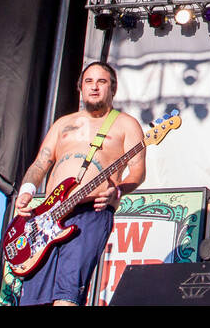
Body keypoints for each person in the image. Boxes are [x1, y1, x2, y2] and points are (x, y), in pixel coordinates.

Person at [13, 61, 144, 306]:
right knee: (32, 299)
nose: (94, 88)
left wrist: (117, 190)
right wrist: (27, 190)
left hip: (90, 212)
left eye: (102, 82)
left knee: (68, 294)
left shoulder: (125, 124)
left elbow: (137, 171)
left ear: (112, 89)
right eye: (89, 82)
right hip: (47, 216)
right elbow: (40, 163)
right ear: (80, 87)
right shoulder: (63, 123)